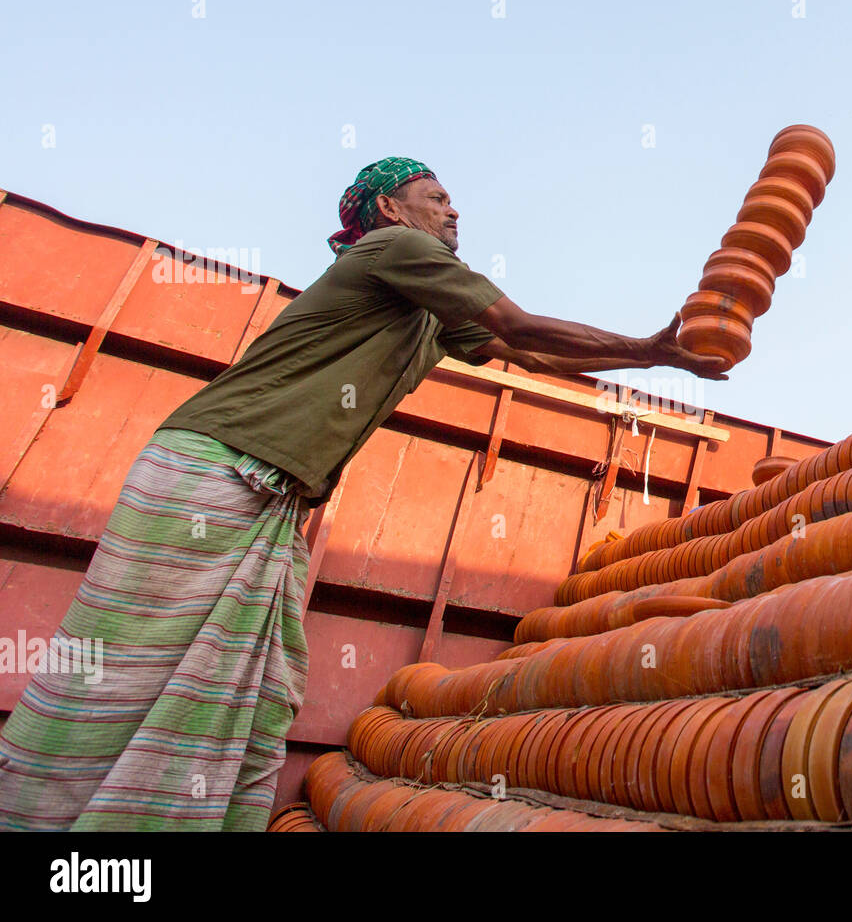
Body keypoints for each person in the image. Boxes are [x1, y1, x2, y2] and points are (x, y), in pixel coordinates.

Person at [0, 156, 726, 831]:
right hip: (215, 469)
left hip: (271, 496)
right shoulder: (395, 252)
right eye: (437, 198)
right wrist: (650, 350)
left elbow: (520, 352)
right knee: (126, 668)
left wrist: (651, 361)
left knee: (254, 689)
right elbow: (518, 322)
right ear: (389, 208)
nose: (454, 212)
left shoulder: (429, 301)